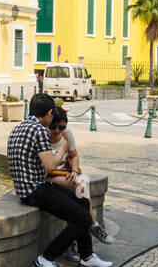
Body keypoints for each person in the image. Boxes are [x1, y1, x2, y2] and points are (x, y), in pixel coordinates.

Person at [7, 93, 112, 267]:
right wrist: (63, 150)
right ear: (48, 113)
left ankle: (86, 256)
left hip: (30, 187)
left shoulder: (20, 127)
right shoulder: (38, 130)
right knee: (83, 217)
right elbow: (50, 166)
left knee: (81, 202)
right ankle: (47, 258)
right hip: (35, 190)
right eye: (51, 116)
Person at [45, 107, 114, 256]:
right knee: (80, 187)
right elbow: (48, 166)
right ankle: (94, 225)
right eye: (53, 127)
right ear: (48, 123)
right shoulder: (42, 135)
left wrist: (75, 171)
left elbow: (75, 156)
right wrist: (61, 152)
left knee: (79, 196)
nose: (57, 130)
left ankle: (73, 242)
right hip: (50, 175)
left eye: (61, 127)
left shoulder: (67, 133)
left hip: (66, 172)